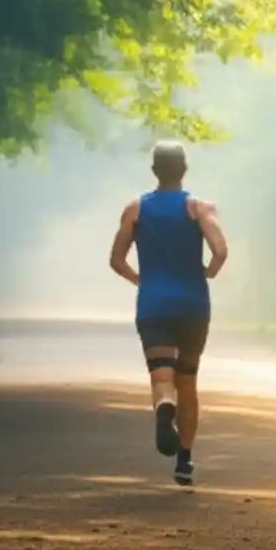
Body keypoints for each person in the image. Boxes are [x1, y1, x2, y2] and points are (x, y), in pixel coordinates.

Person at [108, 140, 228, 486]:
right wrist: (210, 271)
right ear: (185, 169)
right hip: (192, 305)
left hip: (154, 306)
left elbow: (116, 260)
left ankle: (164, 408)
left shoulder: (136, 210)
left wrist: (141, 280)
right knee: (187, 381)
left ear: (154, 171)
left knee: (163, 377)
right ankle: (185, 460)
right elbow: (220, 249)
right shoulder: (199, 208)